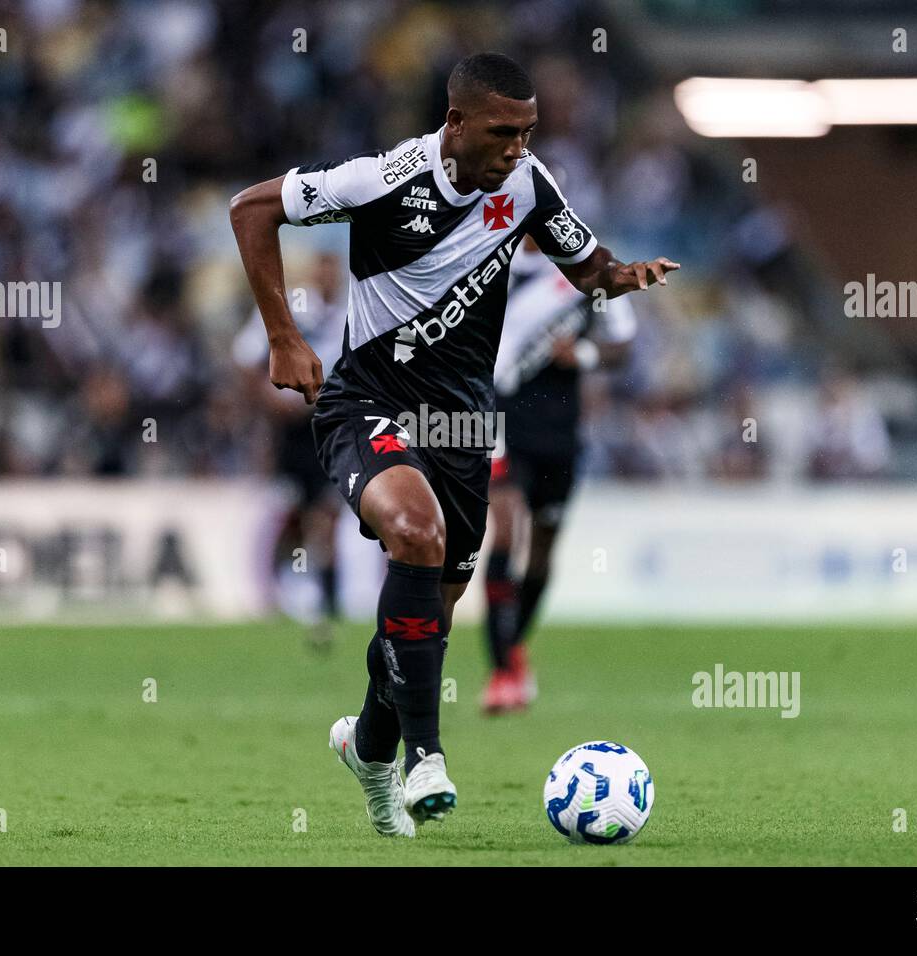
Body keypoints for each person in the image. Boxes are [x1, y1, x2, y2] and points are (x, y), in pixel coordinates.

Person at [228, 52, 678, 838]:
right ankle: (424, 757)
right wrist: (283, 337)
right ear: (457, 122)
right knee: (415, 533)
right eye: (504, 132)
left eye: (529, 132)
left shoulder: (531, 184)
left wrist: (623, 277)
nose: (518, 147)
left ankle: (368, 747)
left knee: (426, 614)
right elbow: (249, 209)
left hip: (464, 427)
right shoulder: (381, 178)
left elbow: (588, 267)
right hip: (366, 401)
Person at [481, 235, 636, 712]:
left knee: (544, 550)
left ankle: (514, 647)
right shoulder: (490, 260)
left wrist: (584, 355)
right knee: (505, 533)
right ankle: (503, 669)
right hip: (503, 414)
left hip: (561, 426)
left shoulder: (590, 270)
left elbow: (623, 346)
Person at [233, 253, 348, 649]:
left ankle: (332, 607)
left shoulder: (352, 312)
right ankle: (271, 598)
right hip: (290, 434)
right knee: (291, 518)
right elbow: (246, 356)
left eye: (332, 269)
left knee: (328, 518)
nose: (327, 277)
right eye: (322, 268)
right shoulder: (292, 307)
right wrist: (270, 403)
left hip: (330, 429)